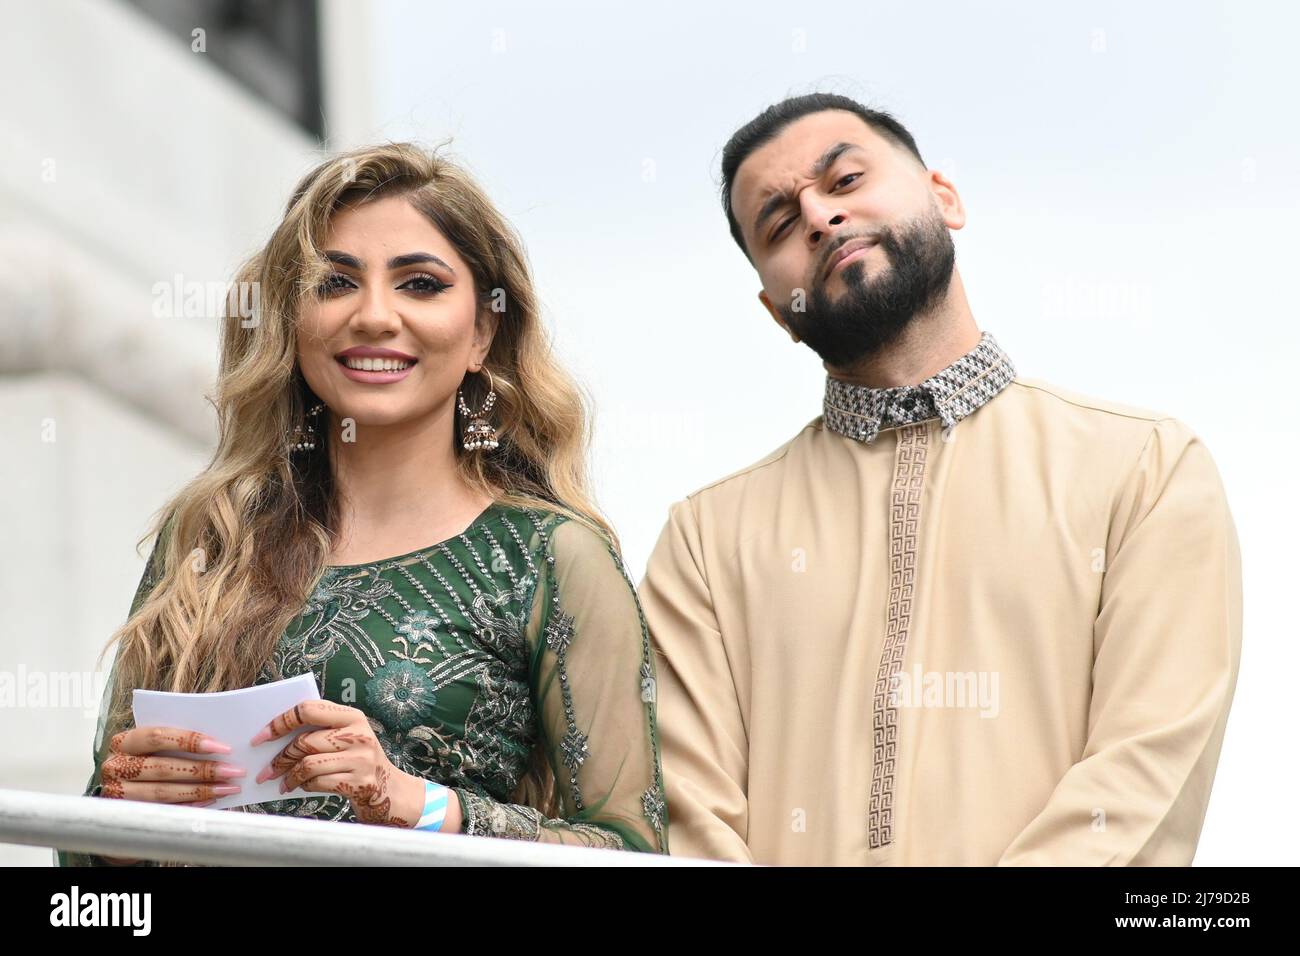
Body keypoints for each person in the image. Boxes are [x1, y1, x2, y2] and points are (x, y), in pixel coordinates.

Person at [638, 93, 1241, 866]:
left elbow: (1144, 778)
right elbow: (686, 820)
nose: (820, 217)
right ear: (774, 311)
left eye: (846, 179)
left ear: (944, 196)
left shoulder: (1146, 470)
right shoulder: (705, 543)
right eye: (780, 224)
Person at [58, 142, 668, 866]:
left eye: (419, 284)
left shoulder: (548, 557)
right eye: (334, 283)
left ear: (482, 331)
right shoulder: (213, 538)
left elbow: (630, 851)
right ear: (291, 320)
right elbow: (88, 883)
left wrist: (416, 802)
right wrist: (121, 824)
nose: (375, 317)